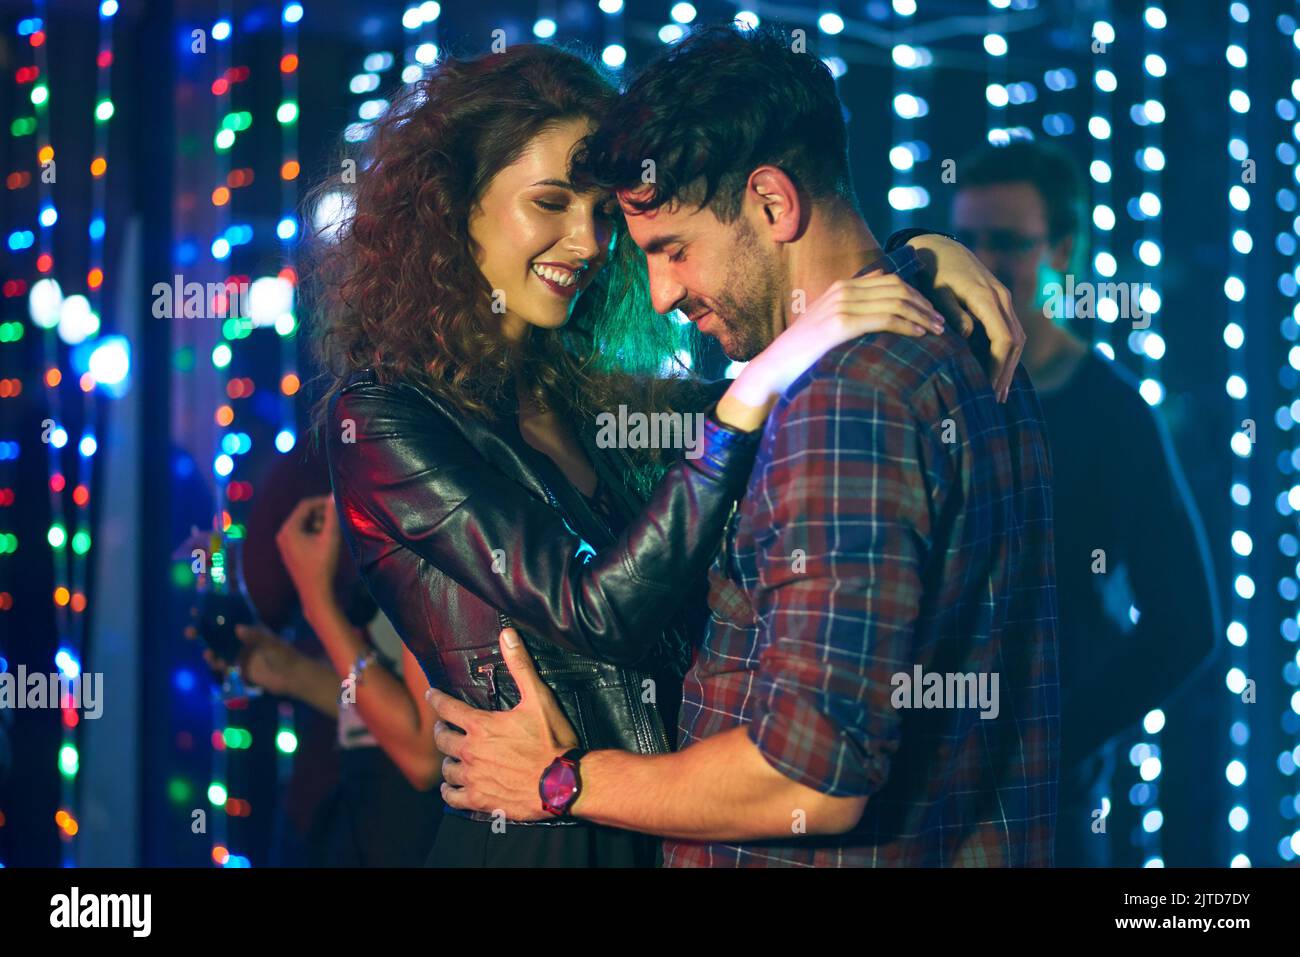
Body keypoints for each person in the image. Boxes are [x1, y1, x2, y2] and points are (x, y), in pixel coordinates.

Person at [314, 39, 1019, 867]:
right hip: (536, 836)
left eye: (603, 214)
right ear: (453, 204)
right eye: (549, 202)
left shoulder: (585, 393)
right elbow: (593, 608)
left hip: (638, 812)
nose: (586, 241)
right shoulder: (384, 419)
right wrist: (756, 384)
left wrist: (920, 255)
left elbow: (820, 284)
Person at [949, 139, 1218, 866]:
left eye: (1005, 242)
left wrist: (1051, 740)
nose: (981, 261)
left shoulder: (1115, 412)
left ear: (1061, 249)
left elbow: (1188, 623)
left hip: (1041, 813)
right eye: (965, 240)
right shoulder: (925, 381)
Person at [204, 445, 443, 867]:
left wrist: (317, 603)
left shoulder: (420, 489)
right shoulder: (326, 465)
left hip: (409, 821)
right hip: (340, 803)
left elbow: (423, 753)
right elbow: (381, 708)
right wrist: (294, 673)